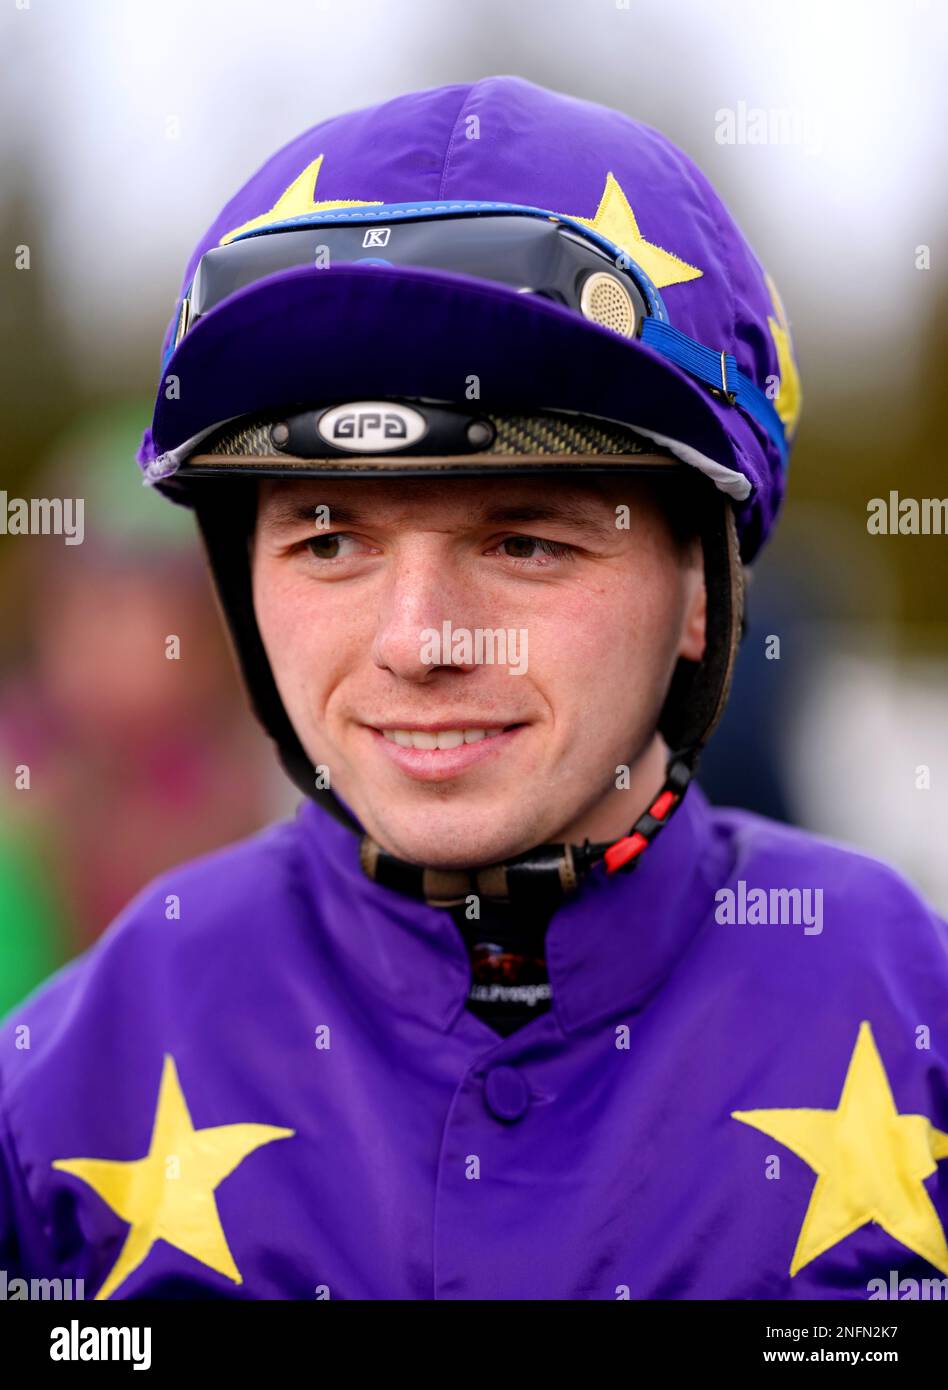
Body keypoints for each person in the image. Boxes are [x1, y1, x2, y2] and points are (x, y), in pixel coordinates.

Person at [1, 76, 946, 1302]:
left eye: (526, 541)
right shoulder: (64, 1079)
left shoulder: (913, 1016)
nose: (420, 640)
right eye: (330, 540)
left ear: (702, 592)